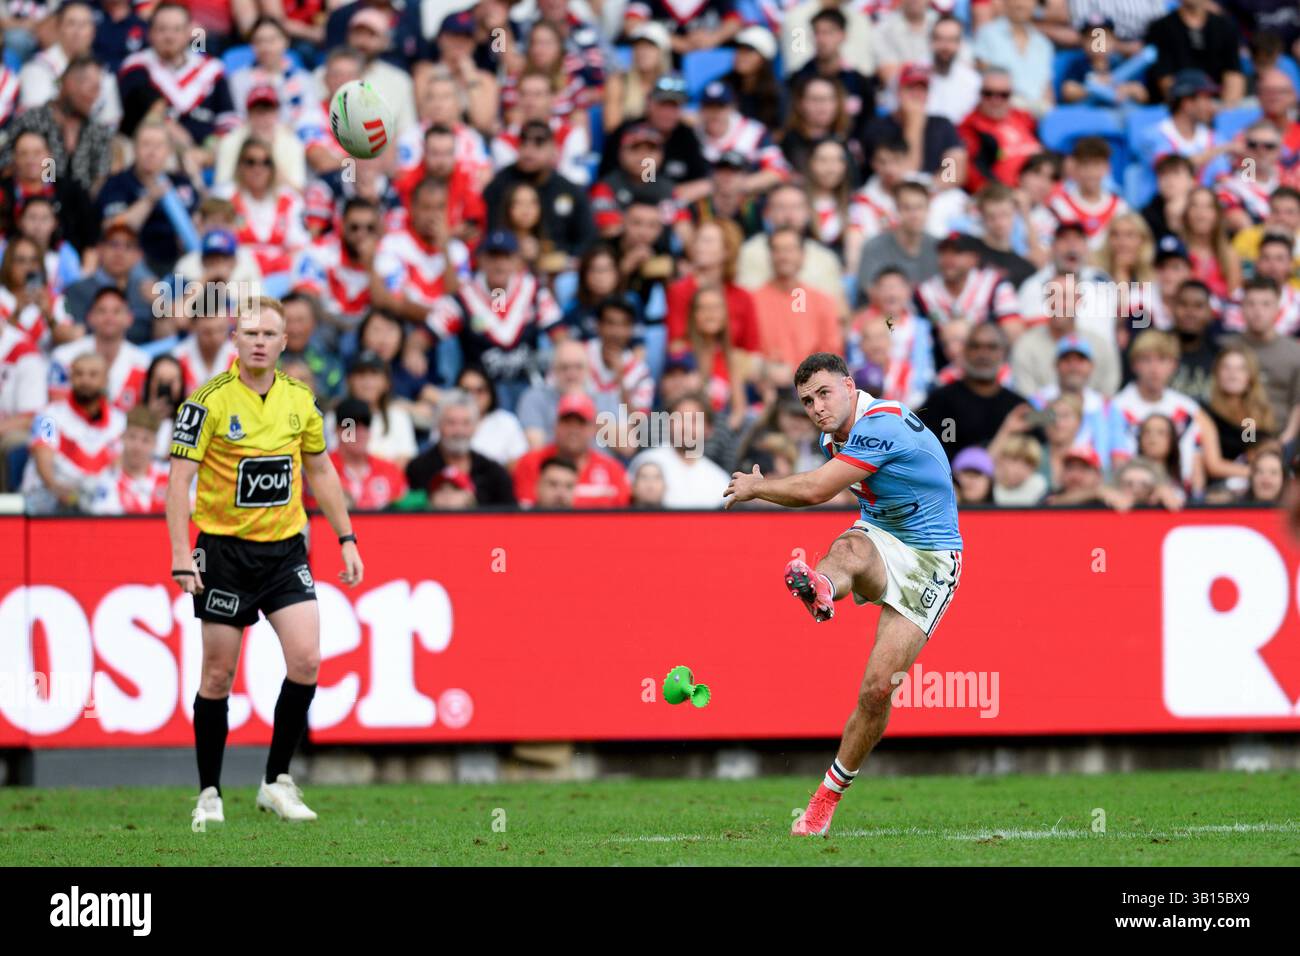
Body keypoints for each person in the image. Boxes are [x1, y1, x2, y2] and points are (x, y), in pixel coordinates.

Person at [724, 352, 962, 837]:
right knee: (851, 547)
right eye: (807, 400)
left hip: (933, 560)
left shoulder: (881, 425)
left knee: (877, 691)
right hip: (880, 536)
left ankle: (825, 799)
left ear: (851, 386)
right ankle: (822, 586)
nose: (816, 407)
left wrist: (757, 488)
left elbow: (815, 491)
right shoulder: (833, 435)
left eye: (824, 393)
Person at [167, 295, 364, 825]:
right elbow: (179, 481)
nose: (258, 342)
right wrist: (183, 555)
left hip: (283, 551)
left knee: (306, 661)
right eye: (249, 333)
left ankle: (276, 780)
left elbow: (320, 471)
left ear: (283, 341)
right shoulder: (206, 402)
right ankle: (209, 793)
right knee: (218, 675)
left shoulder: (300, 400)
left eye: (268, 334)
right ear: (235, 338)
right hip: (224, 553)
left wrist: (346, 536)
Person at [22, 352, 124, 514]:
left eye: (93, 375)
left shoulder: (119, 421)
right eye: (79, 374)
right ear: (70, 378)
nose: (85, 380)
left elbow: (119, 468)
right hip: (52, 501)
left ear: (105, 380)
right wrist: (55, 487)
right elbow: (43, 458)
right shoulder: (48, 417)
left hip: (99, 503)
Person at [920, 321, 1026, 460]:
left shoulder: (1017, 407)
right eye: (975, 346)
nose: (983, 354)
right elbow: (935, 452)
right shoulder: (942, 401)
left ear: (1004, 353)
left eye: (991, 347)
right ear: (964, 352)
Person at [513, 392, 631, 508]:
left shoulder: (613, 470)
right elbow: (525, 512)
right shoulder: (530, 463)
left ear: (594, 428)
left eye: (581, 423)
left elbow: (626, 518)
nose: (573, 430)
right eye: (567, 422)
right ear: (555, 426)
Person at [403, 389, 517, 509]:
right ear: (438, 425)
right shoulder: (417, 469)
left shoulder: (494, 473)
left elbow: (510, 518)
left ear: (475, 427)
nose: (459, 431)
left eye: (466, 423)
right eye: (451, 423)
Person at [309, 396, 407, 511]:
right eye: (351, 425)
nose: (360, 432)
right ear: (337, 430)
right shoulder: (320, 470)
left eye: (365, 424)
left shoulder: (389, 470)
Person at [86, 405, 168, 514]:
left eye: (145, 440)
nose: (137, 446)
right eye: (132, 437)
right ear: (122, 437)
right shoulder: (107, 479)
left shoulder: (168, 478)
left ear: (155, 444)